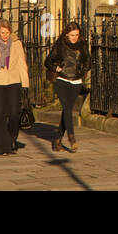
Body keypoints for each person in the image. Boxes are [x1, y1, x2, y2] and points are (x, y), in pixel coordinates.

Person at [0, 19, 30, 156]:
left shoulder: (17, 44)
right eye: (2, 33)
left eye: (7, 32)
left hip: (14, 81)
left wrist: (25, 84)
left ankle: (11, 138)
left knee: (14, 113)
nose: (5, 35)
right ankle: (0, 146)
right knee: (0, 115)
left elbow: (21, 64)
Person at [44, 22, 90, 152]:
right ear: (66, 34)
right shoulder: (60, 45)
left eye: (76, 35)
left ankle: (58, 140)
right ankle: (72, 138)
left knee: (67, 110)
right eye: (72, 35)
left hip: (76, 80)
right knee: (67, 108)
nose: (74, 37)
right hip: (62, 79)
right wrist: (55, 68)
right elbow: (48, 61)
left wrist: (81, 72)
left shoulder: (83, 45)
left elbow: (88, 62)